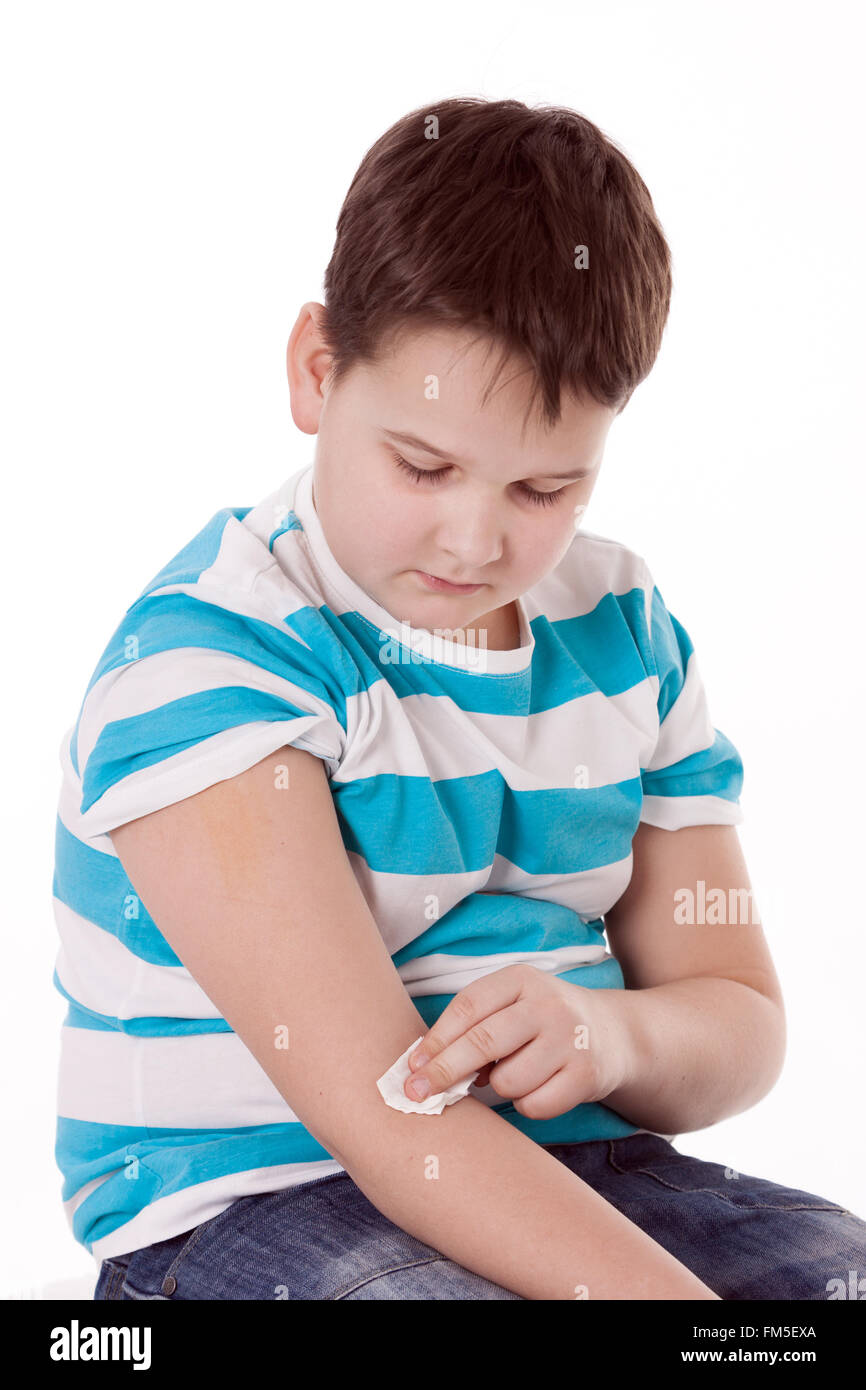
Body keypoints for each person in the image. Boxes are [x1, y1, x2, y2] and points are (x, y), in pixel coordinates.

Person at [54, 96, 866, 1300]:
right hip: (265, 1208)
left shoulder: (621, 635)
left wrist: (612, 1036)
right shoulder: (212, 663)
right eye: (422, 466)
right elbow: (388, 1115)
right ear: (316, 369)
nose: (473, 537)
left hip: (589, 1174)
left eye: (545, 488)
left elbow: (736, 1016)